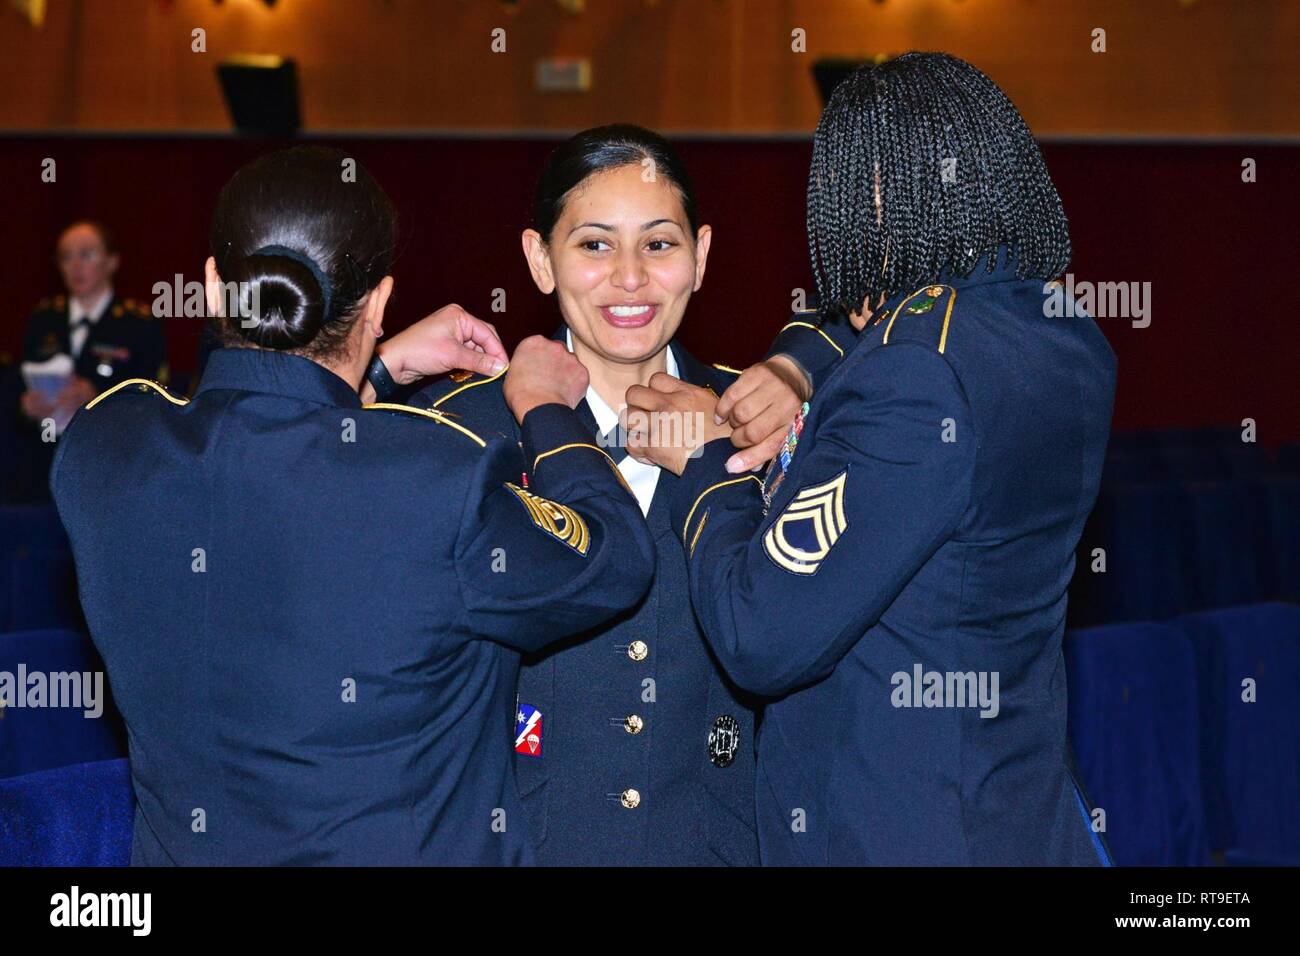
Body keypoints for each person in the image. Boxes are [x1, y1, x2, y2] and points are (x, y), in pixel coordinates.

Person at [50, 146, 655, 866]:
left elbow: (275, 451)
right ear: (377, 300)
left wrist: (377, 365)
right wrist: (546, 410)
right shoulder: (441, 481)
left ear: (214, 286)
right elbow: (615, 559)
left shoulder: (102, 450)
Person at [627, 53, 1117, 865]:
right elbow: (868, 324)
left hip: (893, 821)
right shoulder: (1065, 332)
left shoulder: (914, 372)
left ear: (873, 194)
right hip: (1012, 803)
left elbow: (761, 632)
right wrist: (797, 368)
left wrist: (708, 462)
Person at [399, 125, 807, 865]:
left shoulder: (763, 424)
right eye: (593, 245)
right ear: (539, 259)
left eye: (658, 244)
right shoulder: (463, 435)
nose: (629, 278)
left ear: (701, 256)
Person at [14, 221, 165, 499]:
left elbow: (155, 402)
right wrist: (25, 407)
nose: (75, 265)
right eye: (66, 256)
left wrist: (98, 396)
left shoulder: (138, 324)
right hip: (45, 467)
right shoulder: (43, 319)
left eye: (87, 254)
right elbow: (15, 393)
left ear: (112, 261)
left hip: (111, 467)